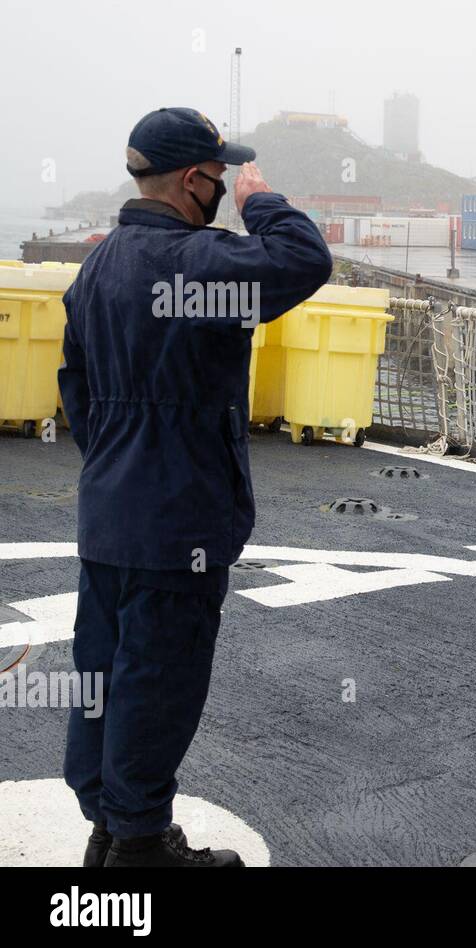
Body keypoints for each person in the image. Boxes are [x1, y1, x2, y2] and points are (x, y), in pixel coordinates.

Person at [58, 107, 334, 866]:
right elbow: (304, 262)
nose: (222, 192)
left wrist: (118, 460)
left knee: (103, 675)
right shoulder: (201, 266)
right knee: (159, 681)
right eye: (218, 179)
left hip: (110, 513)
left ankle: (110, 826)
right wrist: (264, 204)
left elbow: (75, 390)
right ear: (193, 181)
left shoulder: (99, 265)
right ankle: (141, 849)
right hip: (177, 520)